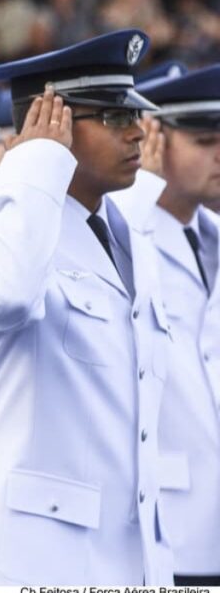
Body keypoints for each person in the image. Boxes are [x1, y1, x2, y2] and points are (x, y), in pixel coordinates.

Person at [0, 30, 175, 584]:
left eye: (134, 115)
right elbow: (6, 296)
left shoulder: (132, 241)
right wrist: (35, 168)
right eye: (113, 117)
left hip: (128, 557)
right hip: (32, 557)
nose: (137, 131)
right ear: (56, 125)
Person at [113, 65, 220, 586]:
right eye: (203, 140)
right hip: (167, 522)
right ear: (152, 138)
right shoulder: (126, 235)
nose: (219, 154)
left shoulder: (214, 233)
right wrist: (142, 190)